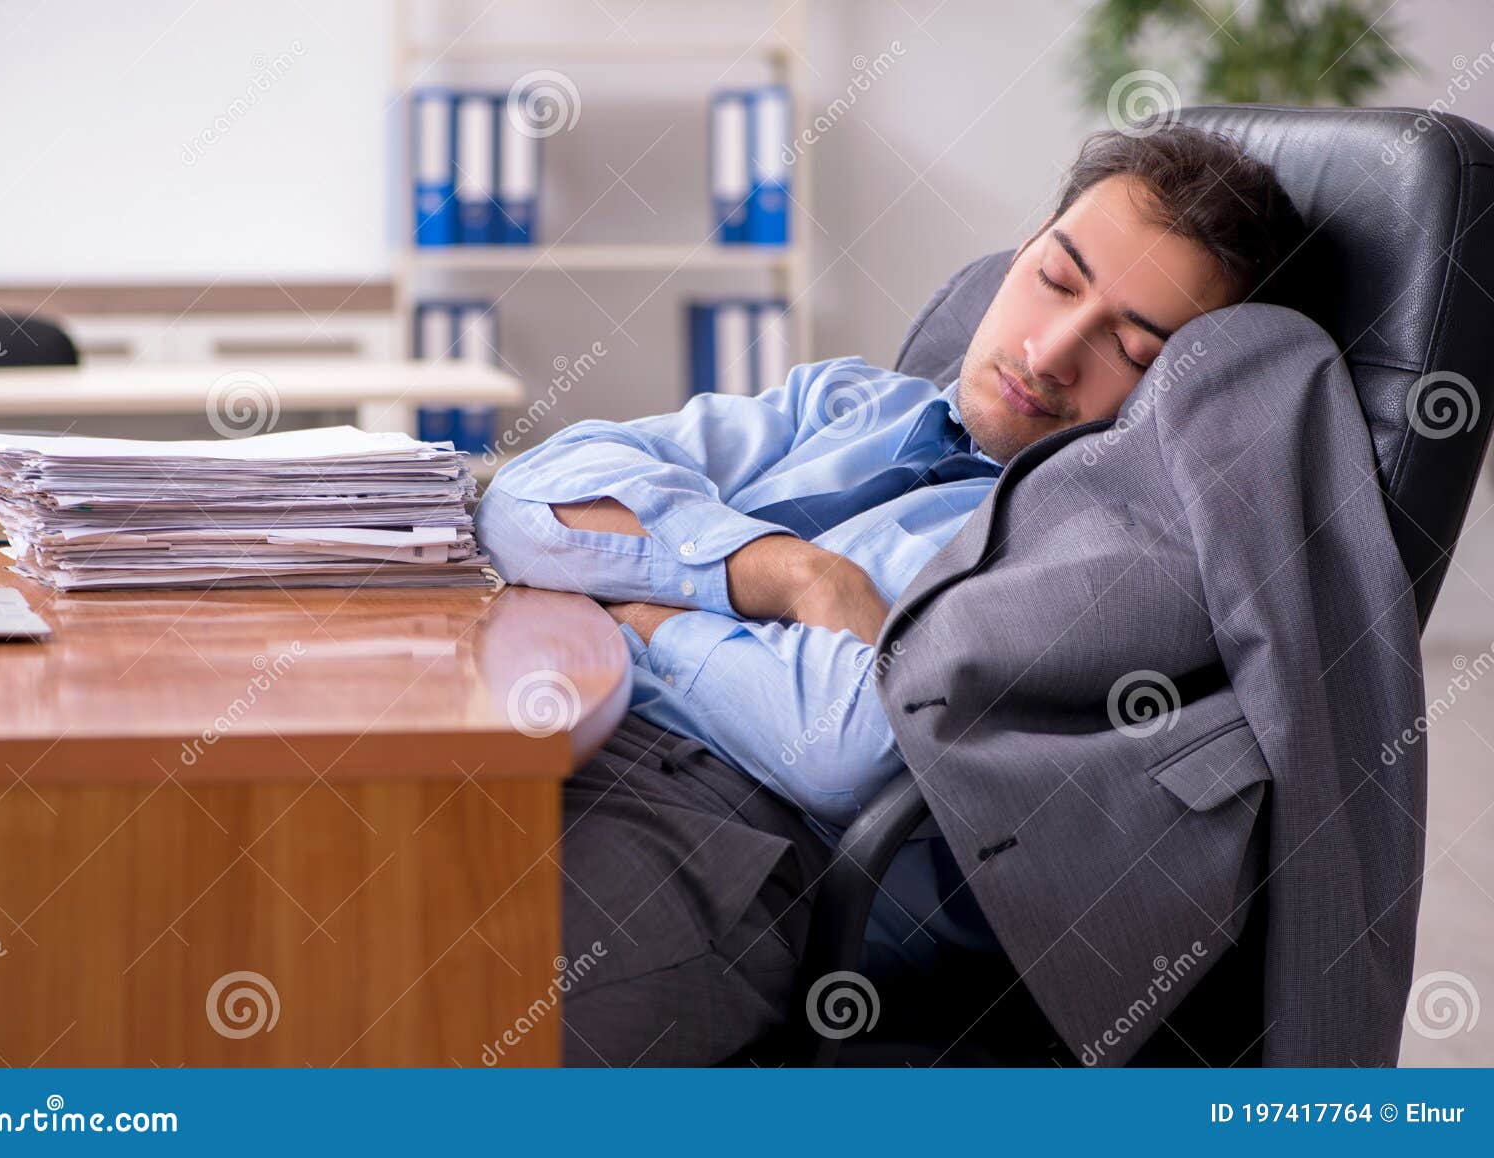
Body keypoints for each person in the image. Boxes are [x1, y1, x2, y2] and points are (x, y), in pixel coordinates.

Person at [473, 120, 1307, 1066]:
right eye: (1057, 280)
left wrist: (641, 601)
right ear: (1022, 247)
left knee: (434, 1014)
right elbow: (528, 496)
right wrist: (793, 575)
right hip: (550, 734)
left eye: (1132, 347)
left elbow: (837, 746)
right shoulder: (845, 402)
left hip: (716, 837)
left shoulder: (1089, 546)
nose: (1050, 353)